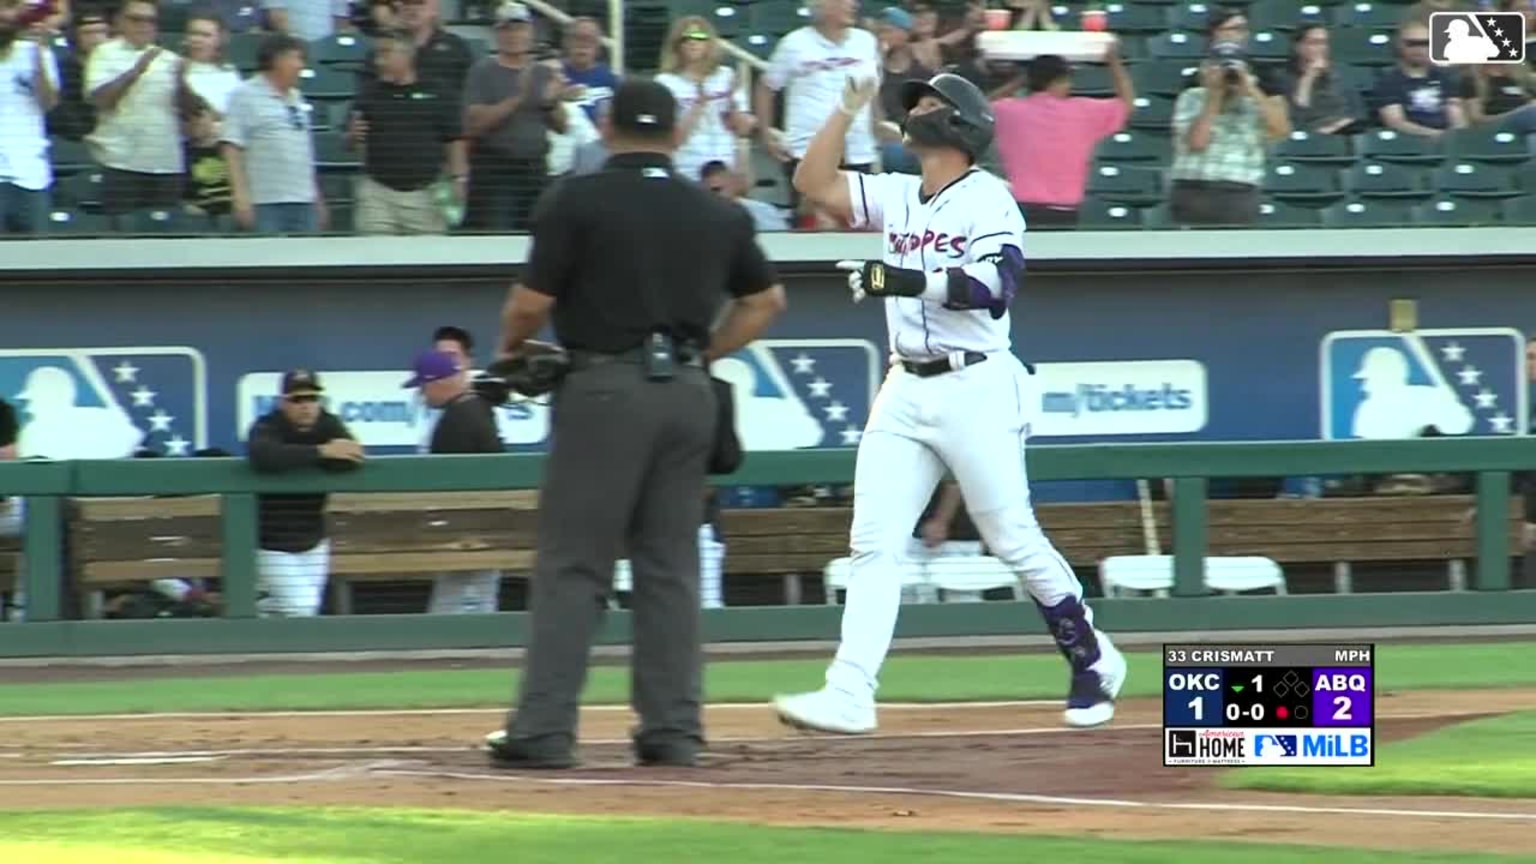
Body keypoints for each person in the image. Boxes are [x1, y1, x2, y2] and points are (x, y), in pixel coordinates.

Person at [772, 72, 1126, 736]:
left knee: (1012, 538)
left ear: (962, 124)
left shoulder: (989, 197)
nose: (918, 113)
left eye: (930, 104)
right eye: (915, 105)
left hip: (978, 384)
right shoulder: (901, 193)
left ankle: (1091, 661)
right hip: (906, 383)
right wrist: (846, 110)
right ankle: (850, 689)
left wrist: (906, 279)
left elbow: (996, 285)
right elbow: (812, 184)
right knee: (873, 542)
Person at [483, 78, 786, 770]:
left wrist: (509, 350)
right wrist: (700, 354)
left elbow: (530, 306)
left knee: (574, 564)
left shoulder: (577, 198)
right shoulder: (718, 212)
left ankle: (544, 729)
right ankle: (673, 730)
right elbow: (767, 301)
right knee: (671, 567)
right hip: (687, 393)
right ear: (676, 134)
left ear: (608, 127)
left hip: (605, 391)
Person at [246, 370, 364, 618]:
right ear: (283, 402)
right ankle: (250, 613)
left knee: (302, 609)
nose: (306, 406)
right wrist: (320, 452)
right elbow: (264, 455)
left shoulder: (328, 423)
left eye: (311, 398)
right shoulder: (269, 425)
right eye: (297, 400)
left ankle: (254, 613)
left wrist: (326, 454)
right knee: (303, 607)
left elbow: (351, 456)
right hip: (270, 544)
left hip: (313, 541)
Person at [405, 349, 506, 614]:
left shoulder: (459, 417)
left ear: (438, 382)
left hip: (471, 530)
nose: (422, 394)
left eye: (423, 387)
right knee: (466, 599)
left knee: (462, 606)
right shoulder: (475, 406)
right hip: (484, 527)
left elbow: (447, 483)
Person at [993, 49, 1133, 228]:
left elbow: (977, 107)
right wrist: (1114, 63)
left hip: (1022, 207)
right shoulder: (1083, 111)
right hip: (1066, 209)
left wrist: (1018, 82)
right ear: (1059, 80)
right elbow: (1127, 104)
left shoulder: (1008, 111)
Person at [655, 16, 754, 186]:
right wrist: (698, 105)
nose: (692, 42)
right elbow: (673, 138)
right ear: (676, 45)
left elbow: (743, 128)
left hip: (725, 162)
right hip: (686, 164)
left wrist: (732, 100)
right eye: (685, 38)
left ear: (710, 42)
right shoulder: (665, 82)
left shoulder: (726, 76)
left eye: (699, 37)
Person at [0, 0, 60, 235]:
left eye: (8, 7)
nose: (3, 14)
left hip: (30, 174)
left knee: (37, 258)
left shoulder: (37, 53)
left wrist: (36, 54)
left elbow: (48, 103)